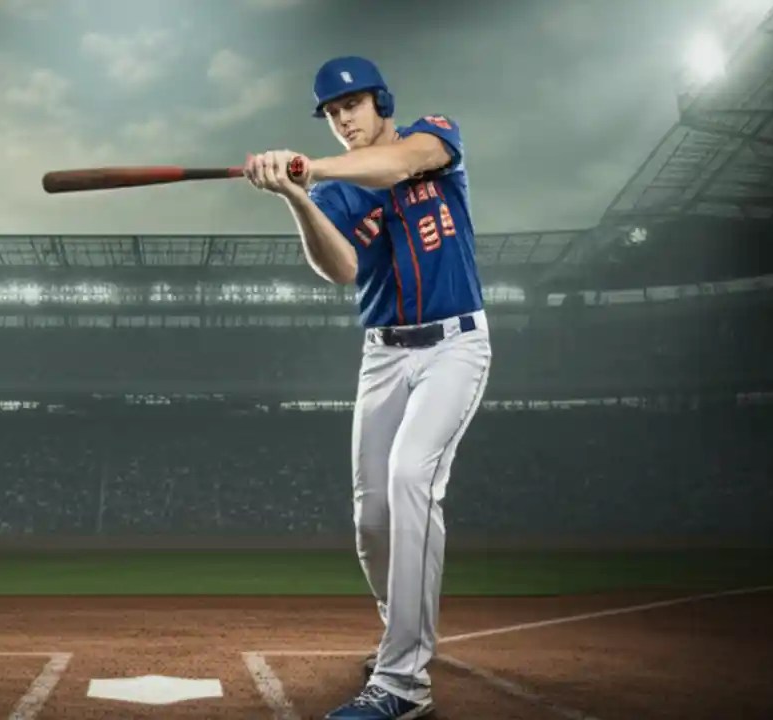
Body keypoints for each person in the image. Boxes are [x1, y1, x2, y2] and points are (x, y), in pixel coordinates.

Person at [244, 56, 492, 720]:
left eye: (351, 104)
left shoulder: (432, 134)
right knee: (371, 517)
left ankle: (403, 682)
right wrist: (297, 194)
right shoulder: (336, 191)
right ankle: (399, 629)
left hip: (454, 345)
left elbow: (398, 165)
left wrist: (312, 167)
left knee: (412, 477)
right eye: (331, 112)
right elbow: (341, 268)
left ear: (381, 100)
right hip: (383, 355)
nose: (342, 119)